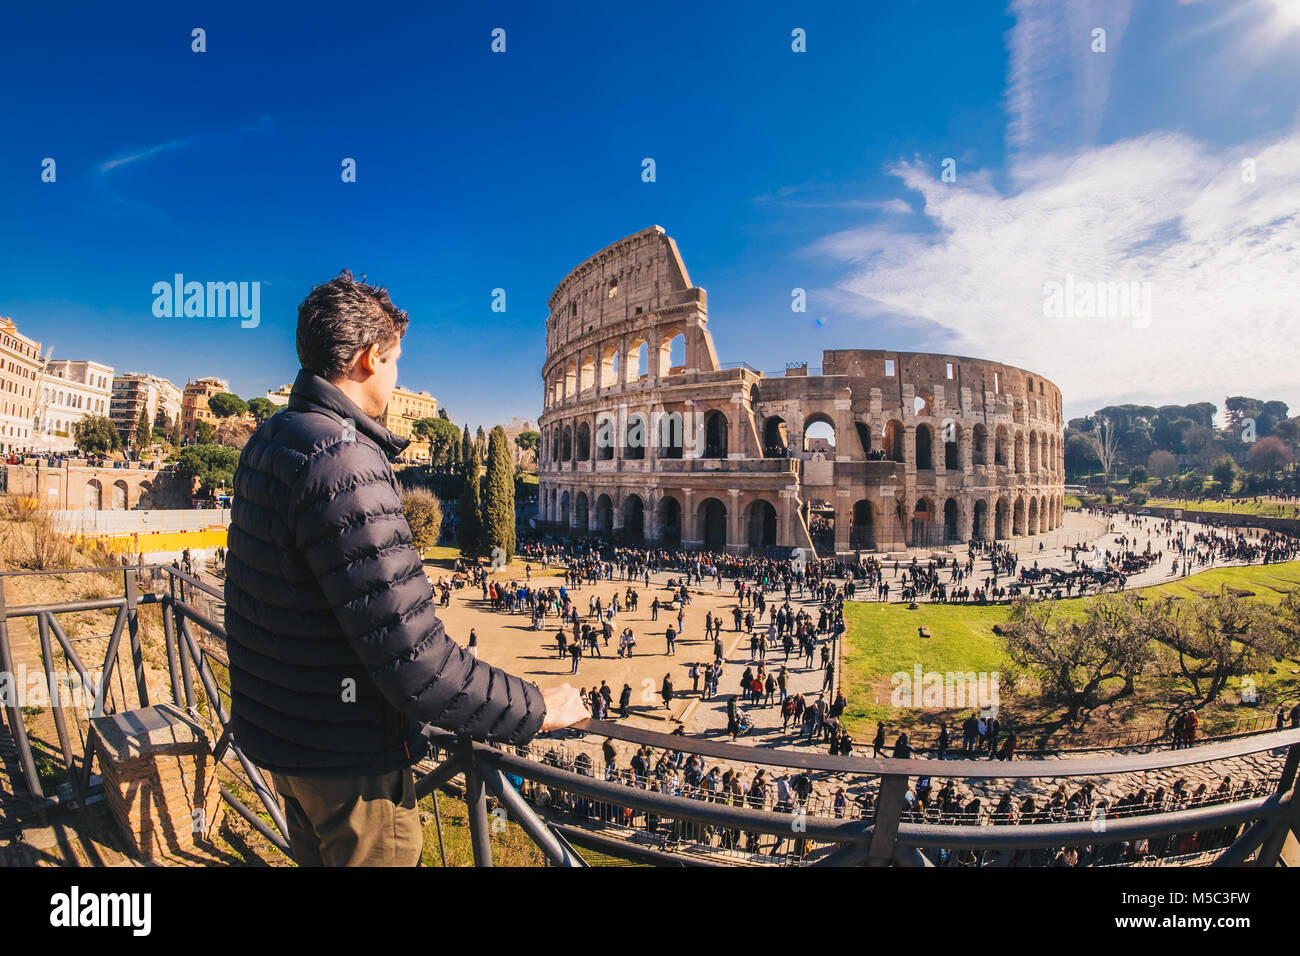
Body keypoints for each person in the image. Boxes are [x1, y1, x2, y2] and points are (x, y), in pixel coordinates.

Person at [223, 270, 586, 866]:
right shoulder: (346, 461)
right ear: (370, 358)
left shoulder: (269, 441)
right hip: (350, 766)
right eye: (395, 362)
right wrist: (535, 707)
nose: (396, 379)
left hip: (283, 742)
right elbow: (417, 660)